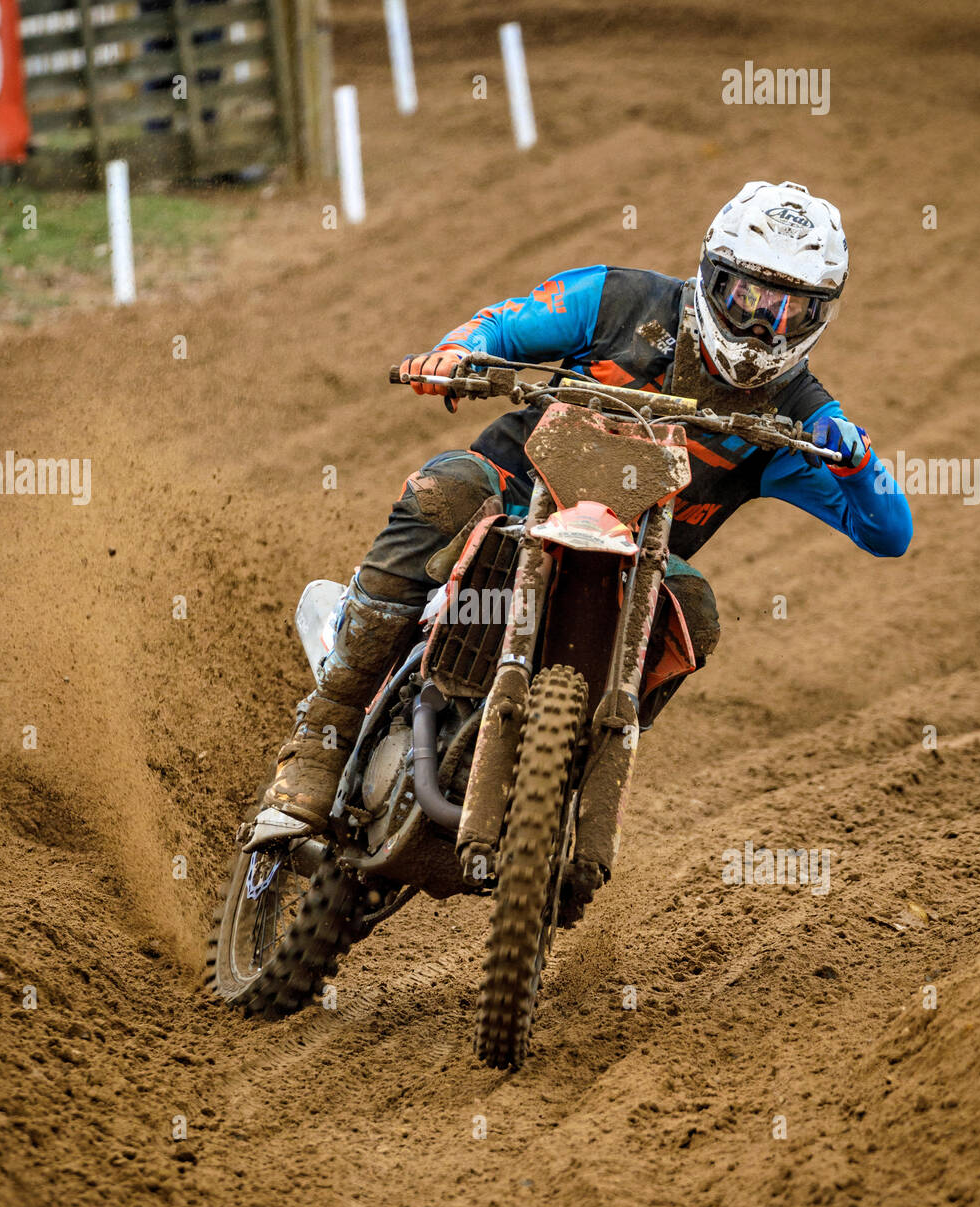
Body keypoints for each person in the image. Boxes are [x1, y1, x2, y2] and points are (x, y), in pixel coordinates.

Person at [265, 179, 913, 829]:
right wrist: (458, 351)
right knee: (448, 488)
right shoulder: (617, 302)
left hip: (634, 569)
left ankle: (575, 786)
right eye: (747, 298)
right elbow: (505, 325)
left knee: (695, 608)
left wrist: (858, 464)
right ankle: (323, 735)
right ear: (715, 279)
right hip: (515, 499)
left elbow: (890, 531)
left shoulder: (800, 415)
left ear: (819, 316)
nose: (762, 324)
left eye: (788, 311)